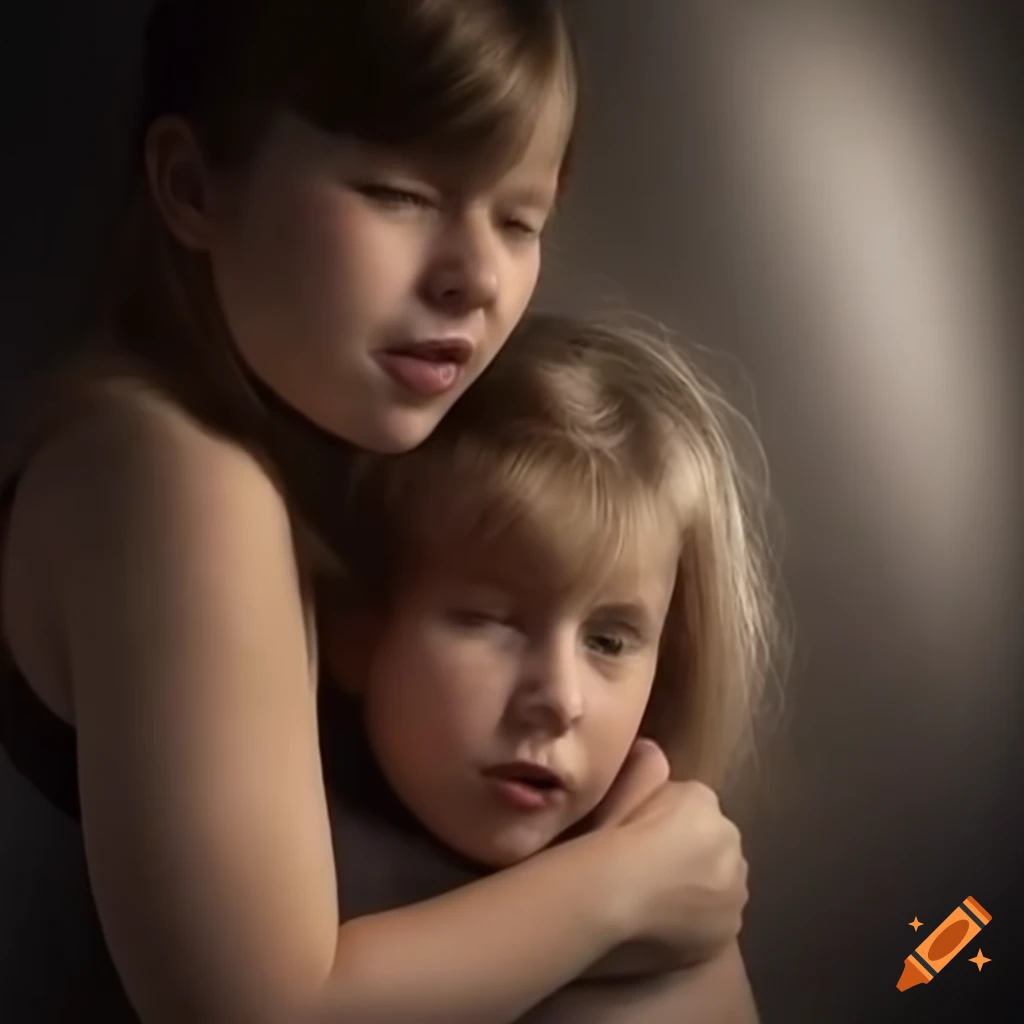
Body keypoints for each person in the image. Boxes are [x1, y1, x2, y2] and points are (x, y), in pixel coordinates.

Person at [0, 1, 751, 1021]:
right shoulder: (168, 475)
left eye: (520, 220)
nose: (476, 277)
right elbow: (255, 1008)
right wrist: (623, 886)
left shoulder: (324, 448)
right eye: (398, 194)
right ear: (192, 186)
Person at [316, 312, 774, 1021]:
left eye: (610, 642)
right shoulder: (280, 890)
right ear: (355, 631)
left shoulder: (676, 879)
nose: (559, 699)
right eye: (492, 621)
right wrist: (621, 889)